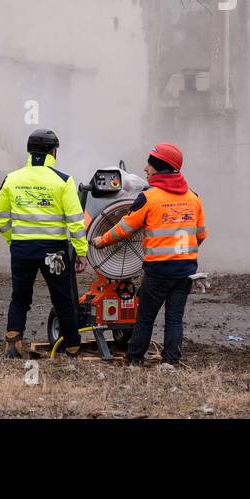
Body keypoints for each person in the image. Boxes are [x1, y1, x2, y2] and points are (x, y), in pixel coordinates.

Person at [92, 142, 206, 366]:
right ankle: (171, 361)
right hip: (186, 271)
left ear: (160, 168)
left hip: (159, 271)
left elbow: (124, 228)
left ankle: (134, 360)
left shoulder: (149, 198)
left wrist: (101, 241)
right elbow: (201, 234)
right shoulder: (193, 197)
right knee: (174, 318)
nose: (145, 169)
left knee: (144, 318)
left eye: (149, 165)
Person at [0, 128, 87, 358]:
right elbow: (75, 221)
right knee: (63, 299)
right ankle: (73, 348)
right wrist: (81, 251)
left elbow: (0, 217)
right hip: (54, 251)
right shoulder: (63, 181)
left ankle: (13, 344)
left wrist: (13, 240)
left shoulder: (12, 179)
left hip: (22, 249)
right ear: (53, 152)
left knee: (20, 298)